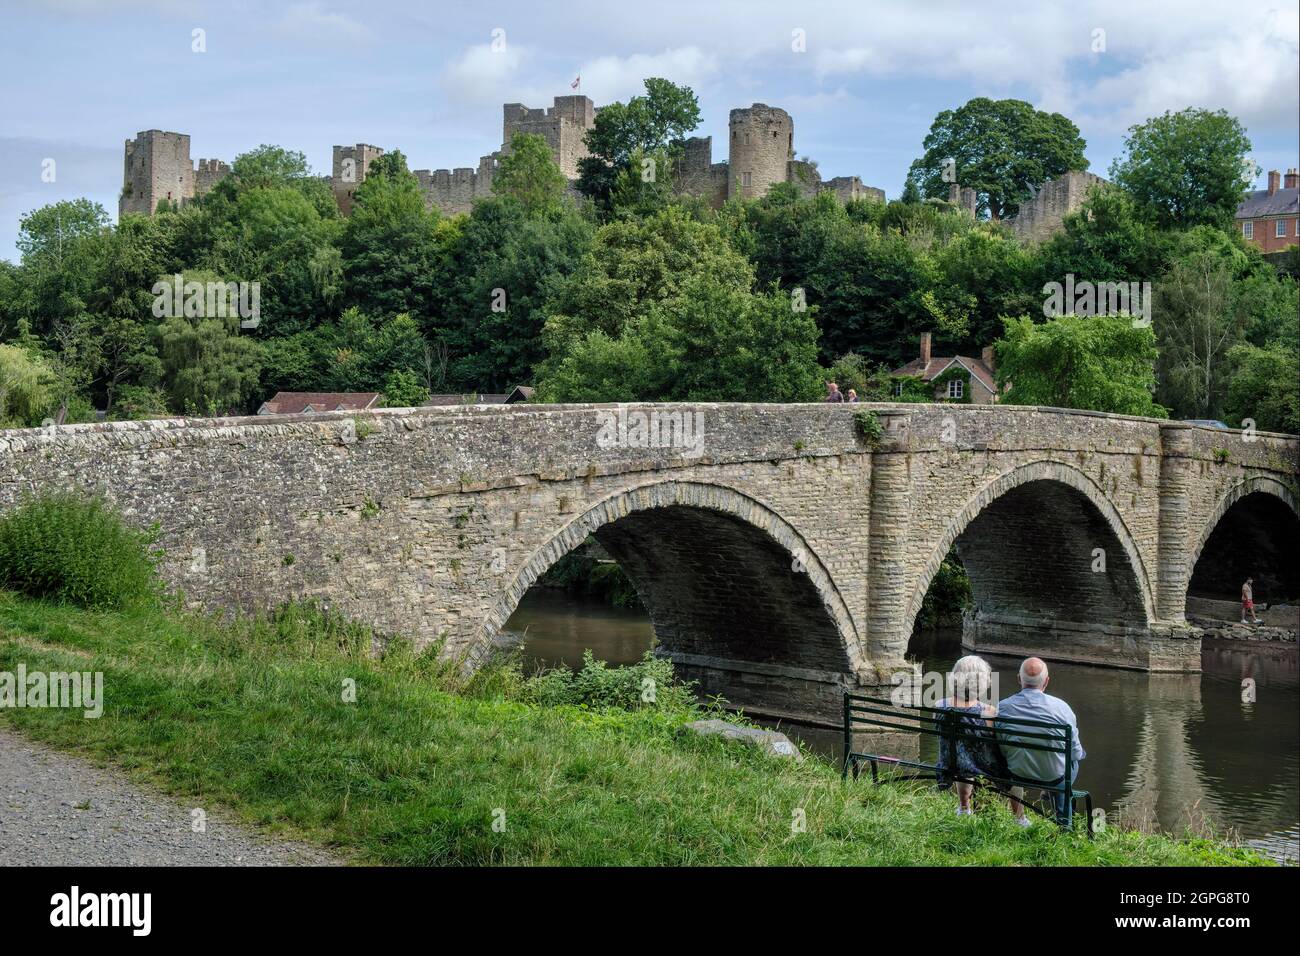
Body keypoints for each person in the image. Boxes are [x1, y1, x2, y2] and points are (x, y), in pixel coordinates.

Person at [996, 657, 1085, 827]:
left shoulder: (1002, 707)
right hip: (1054, 776)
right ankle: (1064, 824)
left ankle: (1023, 817)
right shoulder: (1062, 709)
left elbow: (1001, 747)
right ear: (1046, 682)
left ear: (1019, 679)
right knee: (1072, 760)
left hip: (1016, 773)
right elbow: (1075, 752)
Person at [934, 655, 1005, 815]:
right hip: (979, 767)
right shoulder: (989, 712)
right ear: (981, 682)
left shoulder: (939, 706)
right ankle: (1012, 815)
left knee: (962, 753)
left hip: (948, 763)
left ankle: (964, 807)